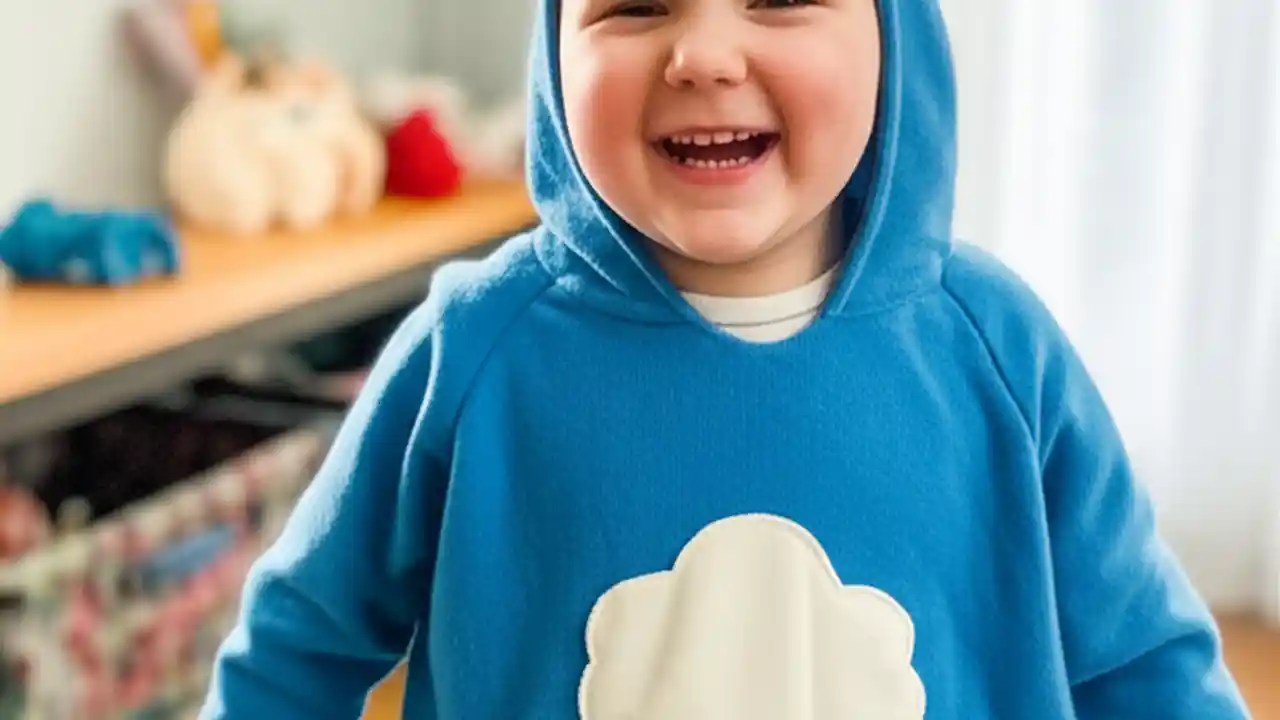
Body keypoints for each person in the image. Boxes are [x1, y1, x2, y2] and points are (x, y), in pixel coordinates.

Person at [199, 0, 1252, 717]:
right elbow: (297, 648)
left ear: (894, 35)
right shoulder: (473, 353)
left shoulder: (996, 350)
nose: (700, 52)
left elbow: (1143, 663)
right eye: (637, 1)